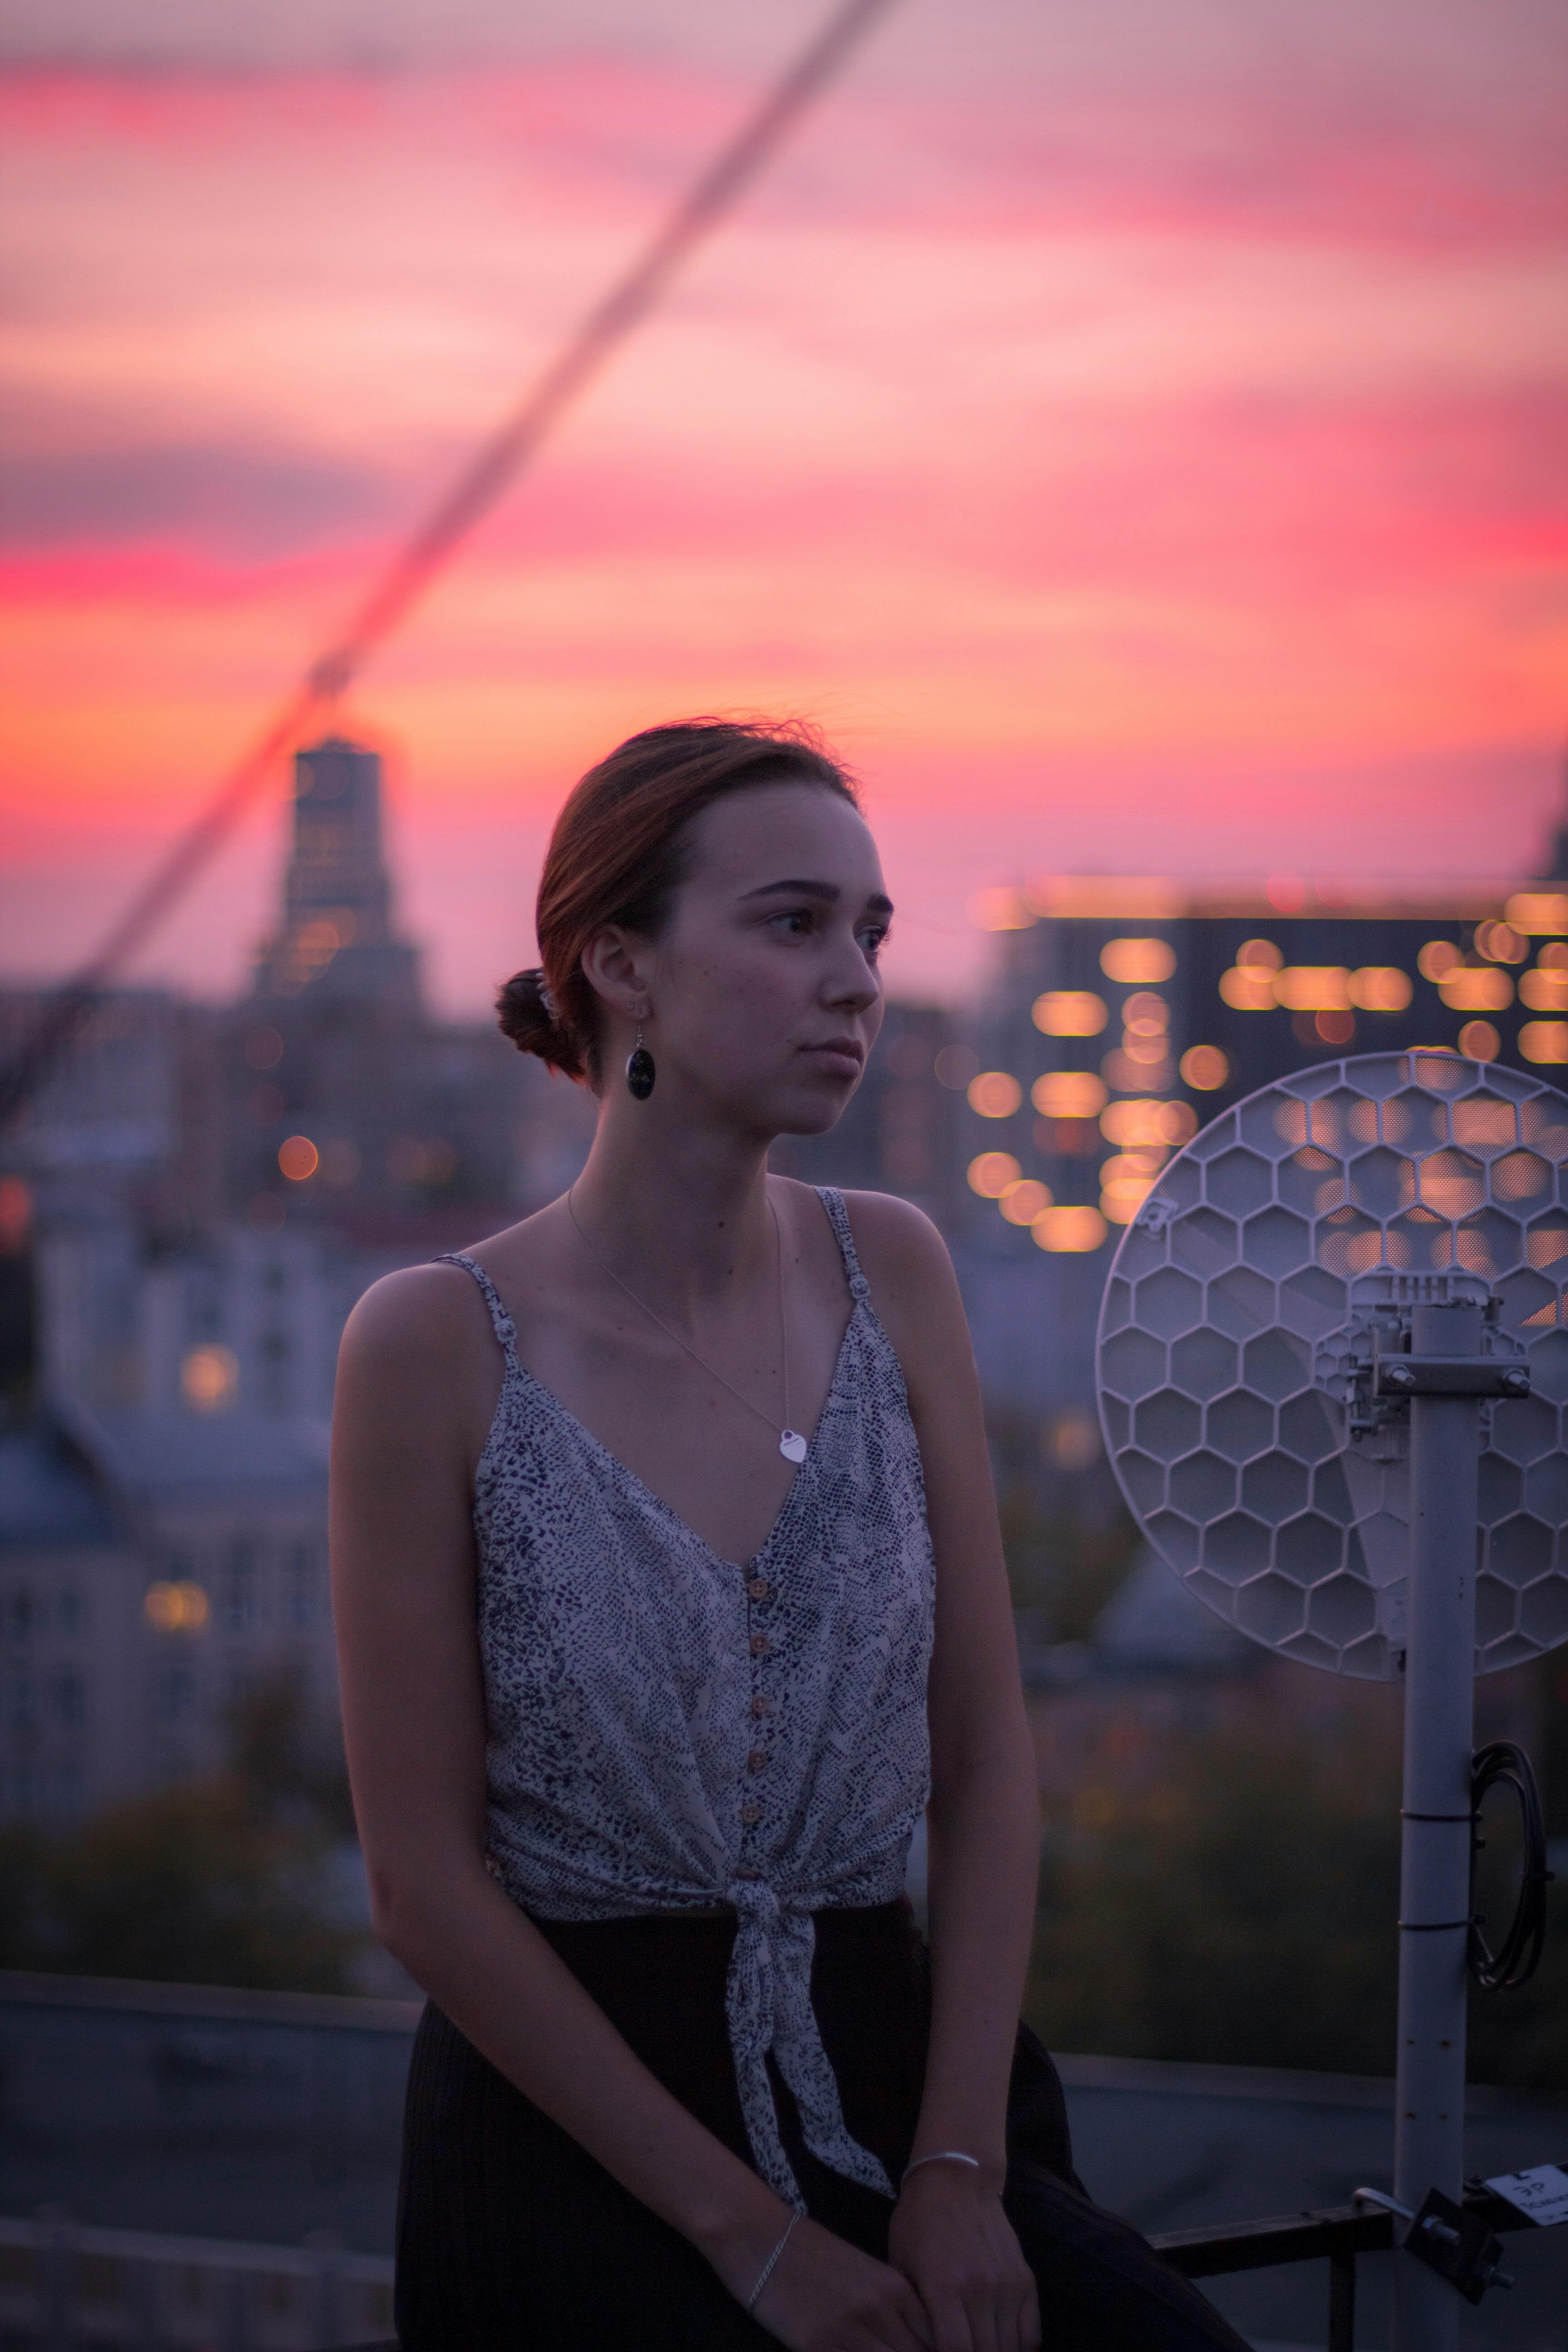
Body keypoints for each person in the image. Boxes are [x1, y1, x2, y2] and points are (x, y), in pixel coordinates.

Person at [331, 719, 1250, 2352]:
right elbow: (420, 1884)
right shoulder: (435, 1342)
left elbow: (983, 1761)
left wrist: (961, 2168)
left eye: (872, 932)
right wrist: (752, 2243)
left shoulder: (894, 1269)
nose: (858, 982)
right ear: (619, 961)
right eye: (792, 922)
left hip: (908, 2090)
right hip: (574, 2141)